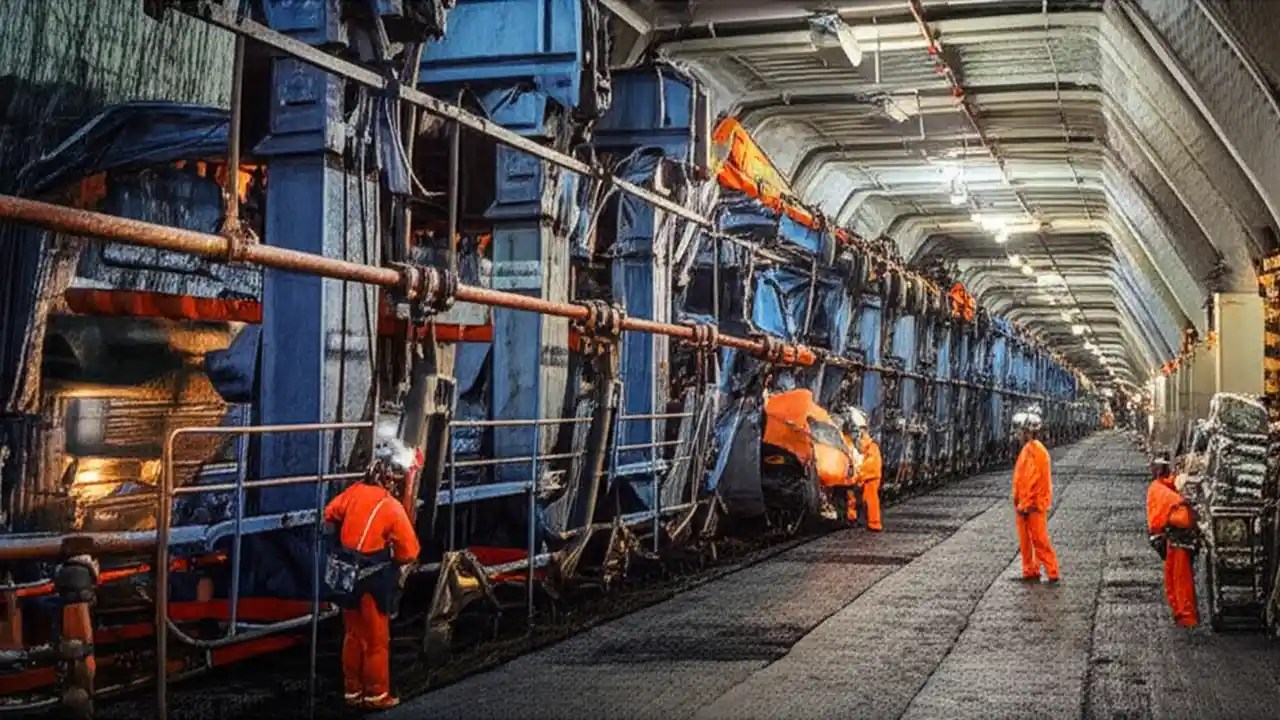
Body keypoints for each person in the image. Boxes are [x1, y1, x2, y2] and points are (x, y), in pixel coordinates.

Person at [324, 438, 422, 710]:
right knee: (376, 641)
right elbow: (409, 552)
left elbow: (329, 512)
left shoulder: (354, 492)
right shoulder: (390, 506)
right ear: (391, 480)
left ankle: (352, 692)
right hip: (372, 581)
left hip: (346, 579)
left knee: (352, 636)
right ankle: (378, 695)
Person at [1146, 450, 1199, 627]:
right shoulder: (1167, 488)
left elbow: (1156, 521)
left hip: (1177, 535)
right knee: (1174, 576)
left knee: (1178, 577)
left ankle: (1185, 615)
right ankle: (1181, 612)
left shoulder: (1158, 489)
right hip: (1175, 534)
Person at [1012, 412, 1059, 582]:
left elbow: (1033, 480)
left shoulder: (1035, 451)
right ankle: (1029, 570)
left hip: (1033, 505)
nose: (1017, 435)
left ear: (1027, 432)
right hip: (1026, 504)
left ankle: (1052, 571)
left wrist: (1026, 503)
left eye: (1020, 431)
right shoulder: (1029, 449)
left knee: (1039, 540)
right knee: (1026, 542)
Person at [843, 408, 883, 531]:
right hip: (866, 475)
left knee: (869, 500)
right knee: (856, 498)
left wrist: (858, 475)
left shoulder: (870, 447)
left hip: (869, 477)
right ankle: (854, 519)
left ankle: (874, 523)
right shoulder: (867, 445)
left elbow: (870, 465)